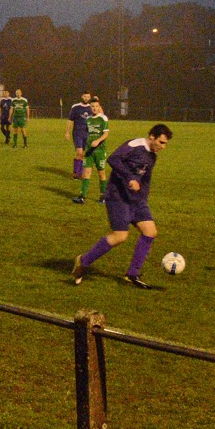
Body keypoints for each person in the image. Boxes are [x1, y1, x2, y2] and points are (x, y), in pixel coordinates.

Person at [72, 124, 173, 289]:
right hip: (117, 197)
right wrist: (129, 178)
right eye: (161, 142)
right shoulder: (135, 145)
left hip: (137, 200)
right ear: (152, 137)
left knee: (150, 232)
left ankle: (132, 274)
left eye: (165, 144)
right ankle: (83, 261)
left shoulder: (152, 156)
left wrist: (143, 199)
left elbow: (145, 180)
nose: (163, 147)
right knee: (120, 236)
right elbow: (113, 159)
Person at [73, 96, 110, 204]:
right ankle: (82, 196)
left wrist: (97, 141)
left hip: (100, 151)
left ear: (99, 107)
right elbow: (87, 133)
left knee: (101, 173)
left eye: (96, 106)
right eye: (92, 106)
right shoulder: (88, 119)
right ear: (90, 108)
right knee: (86, 173)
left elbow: (106, 134)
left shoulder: (103, 118)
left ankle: (103, 196)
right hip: (89, 151)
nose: (94, 108)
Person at [65, 92, 93, 178]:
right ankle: (76, 173)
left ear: (90, 98)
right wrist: (67, 132)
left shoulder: (91, 107)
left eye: (88, 97)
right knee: (79, 153)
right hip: (77, 133)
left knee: (83, 154)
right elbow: (70, 120)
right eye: (85, 96)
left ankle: (80, 173)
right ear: (82, 96)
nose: (86, 98)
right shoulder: (76, 107)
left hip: (87, 133)